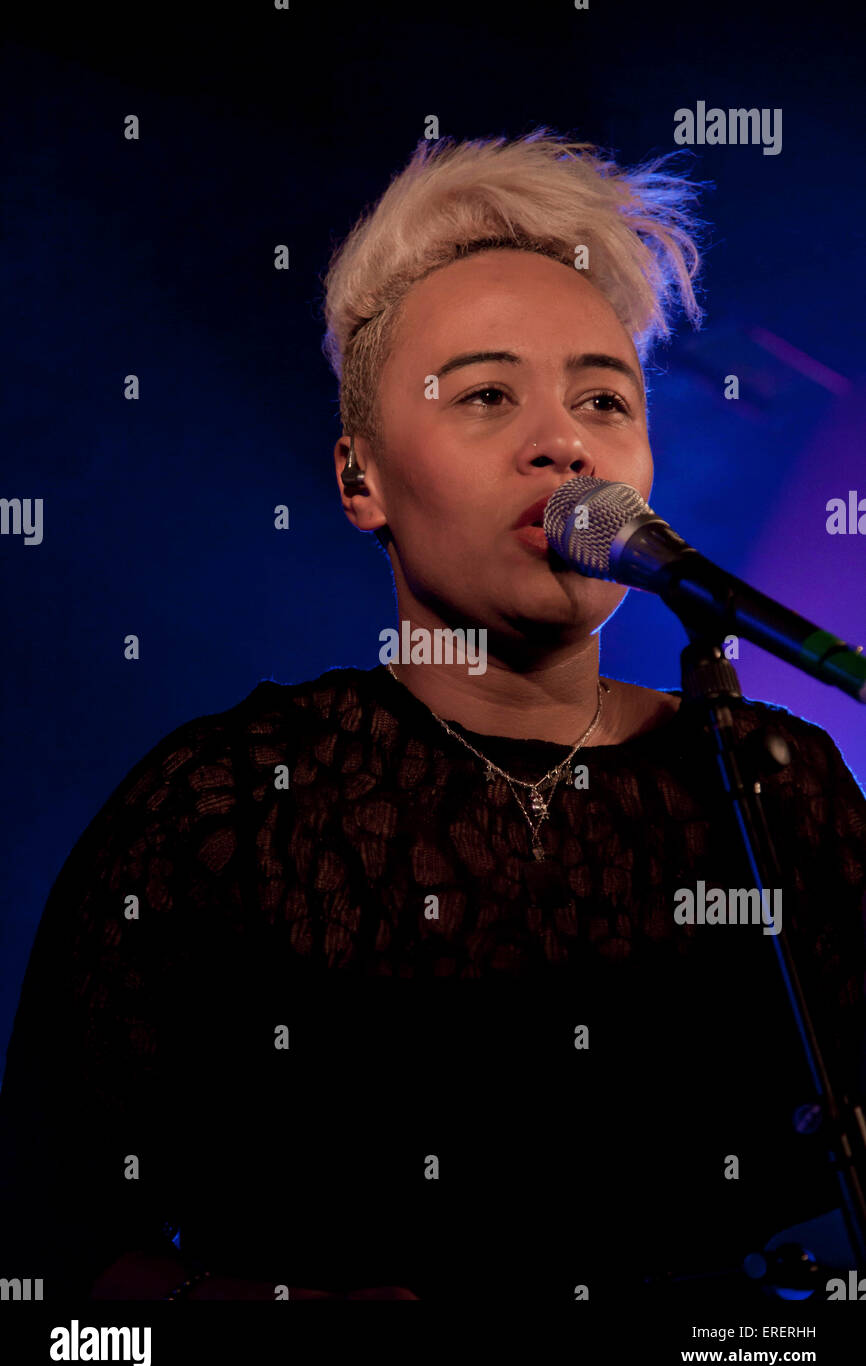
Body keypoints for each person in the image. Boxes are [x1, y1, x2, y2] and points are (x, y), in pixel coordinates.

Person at [1, 129, 865, 1303]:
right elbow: (53, 1253)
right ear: (360, 479)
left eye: (603, 398)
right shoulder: (226, 806)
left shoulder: (774, 780)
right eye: (486, 394)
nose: (563, 439)